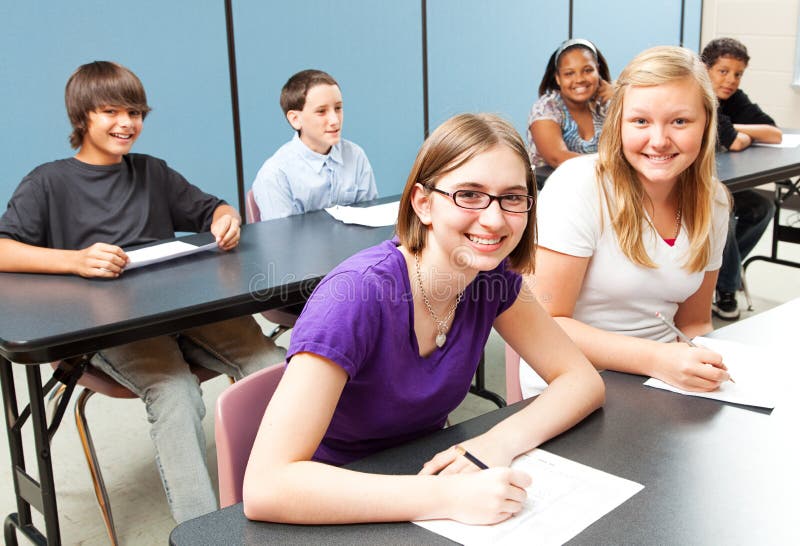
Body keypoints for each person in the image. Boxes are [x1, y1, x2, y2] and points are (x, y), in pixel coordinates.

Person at [243, 113, 604, 525]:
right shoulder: (357, 296)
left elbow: (581, 380)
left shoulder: (491, 280)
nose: (495, 218)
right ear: (423, 202)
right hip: (334, 499)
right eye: (469, 194)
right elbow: (266, 487)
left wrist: (497, 443)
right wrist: (445, 497)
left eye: (513, 198)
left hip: (420, 478)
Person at [0, 61, 285, 523]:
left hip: (181, 310)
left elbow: (212, 207)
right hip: (110, 325)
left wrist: (224, 219)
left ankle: (279, 492)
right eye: (111, 111)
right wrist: (74, 261)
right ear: (82, 117)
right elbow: (2, 248)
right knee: (173, 391)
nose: (126, 123)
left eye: (134, 113)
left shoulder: (152, 172)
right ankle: (203, 531)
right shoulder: (47, 182)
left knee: (271, 365)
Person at [520, 46, 733, 398]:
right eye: (640, 121)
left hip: (662, 383)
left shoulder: (714, 202)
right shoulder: (579, 184)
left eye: (680, 121)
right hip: (574, 384)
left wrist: (707, 369)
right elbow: (545, 324)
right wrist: (657, 359)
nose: (659, 140)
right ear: (618, 121)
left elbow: (694, 323)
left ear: (707, 123)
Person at [701, 37, 781, 320]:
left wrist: (735, 127)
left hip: (720, 183)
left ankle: (720, 275)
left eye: (738, 74)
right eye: (723, 71)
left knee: (763, 208)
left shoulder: (733, 98)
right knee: (725, 215)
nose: (731, 80)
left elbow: (773, 132)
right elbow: (734, 143)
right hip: (689, 186)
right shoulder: (701, 97)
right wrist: (738, 134)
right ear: (705, 69)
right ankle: (725, 288)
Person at [251, 69, 377, 220]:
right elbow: (282, 240)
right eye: (321, 111)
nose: (335, 120)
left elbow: (371, 218)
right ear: (295, 119)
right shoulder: (275, 174)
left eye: (338, 108)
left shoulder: (355, 155)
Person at [527, 38, 613, 173]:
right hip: (552, 188)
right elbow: (558, 157)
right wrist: (614, 167)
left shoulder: (605, 104)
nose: (579, 79)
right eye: (569, 73)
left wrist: (621, 99)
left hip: (601, 187)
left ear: (598, 70)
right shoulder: (547, 107)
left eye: (588, 70)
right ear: (558, 78)